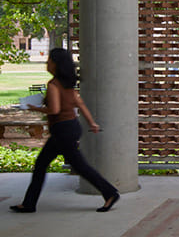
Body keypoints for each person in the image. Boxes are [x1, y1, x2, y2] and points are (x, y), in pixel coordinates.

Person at [10, 47, 120, 213]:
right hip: (71, 128)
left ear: (56, 64)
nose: (47, 64)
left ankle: (110, 193)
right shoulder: (68, 83)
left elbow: (54, 110)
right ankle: (29, 203)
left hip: (63, 131)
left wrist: (34, 108)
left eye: (49, 61)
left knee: (71, 166)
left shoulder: (54, 84)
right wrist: (92, 123)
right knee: (49, 165)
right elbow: (80, 104)